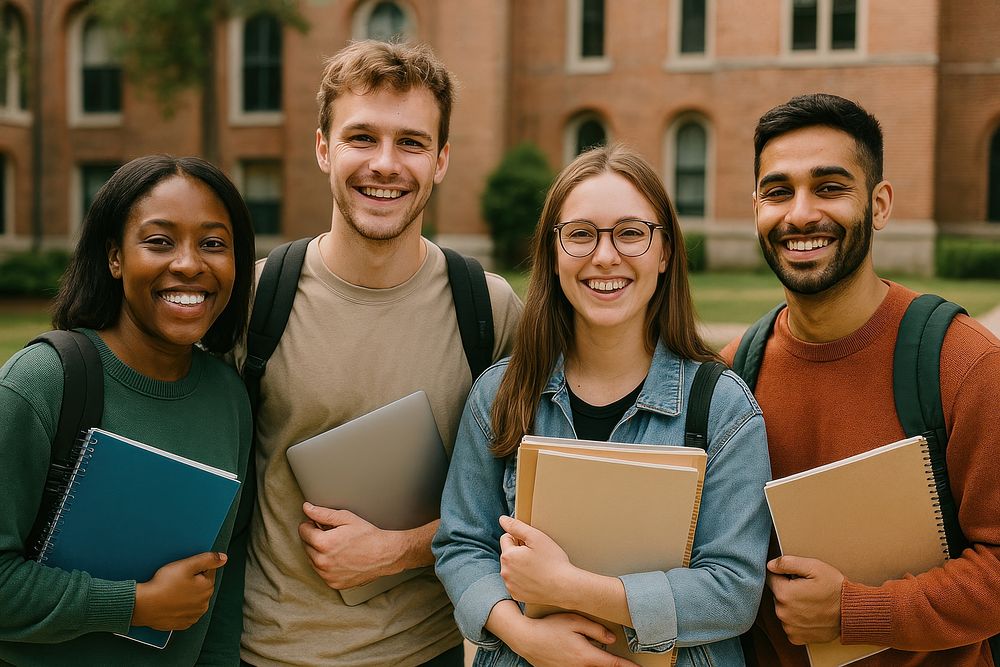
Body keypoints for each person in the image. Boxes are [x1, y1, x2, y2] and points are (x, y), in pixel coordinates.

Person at [236, 40, 522, 666]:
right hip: (269, 651)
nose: (385, 165)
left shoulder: (488, 309)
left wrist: (402, 548)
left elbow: (525, 496)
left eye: (412, 143)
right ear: (323, 148)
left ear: (442, 160)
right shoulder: (255, 301)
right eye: (361, 138)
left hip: (429, 651)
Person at [433, 143, 772, 667]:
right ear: (553, 251)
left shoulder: (724, 408)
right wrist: (524, 635)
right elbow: (461, 545)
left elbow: (733, 592)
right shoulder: (501, 395)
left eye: (631, 233)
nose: (605, 256)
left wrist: (570, 587)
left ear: (664, 253)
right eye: (581, 234)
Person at [721, 93, 1000, 666]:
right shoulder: (732, 374)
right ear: (755, 208)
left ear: (879, 204)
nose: (800, 214)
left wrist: (856, 611)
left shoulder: (964, 363)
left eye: (830, 187)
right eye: (778, 192)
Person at [0, 154, 256, 665]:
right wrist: (136, 604)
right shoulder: (40, 383)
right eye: (159, 241)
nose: (189, 263)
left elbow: (222, 591)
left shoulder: (230, 398)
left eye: (213, 244)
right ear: (115, 258)